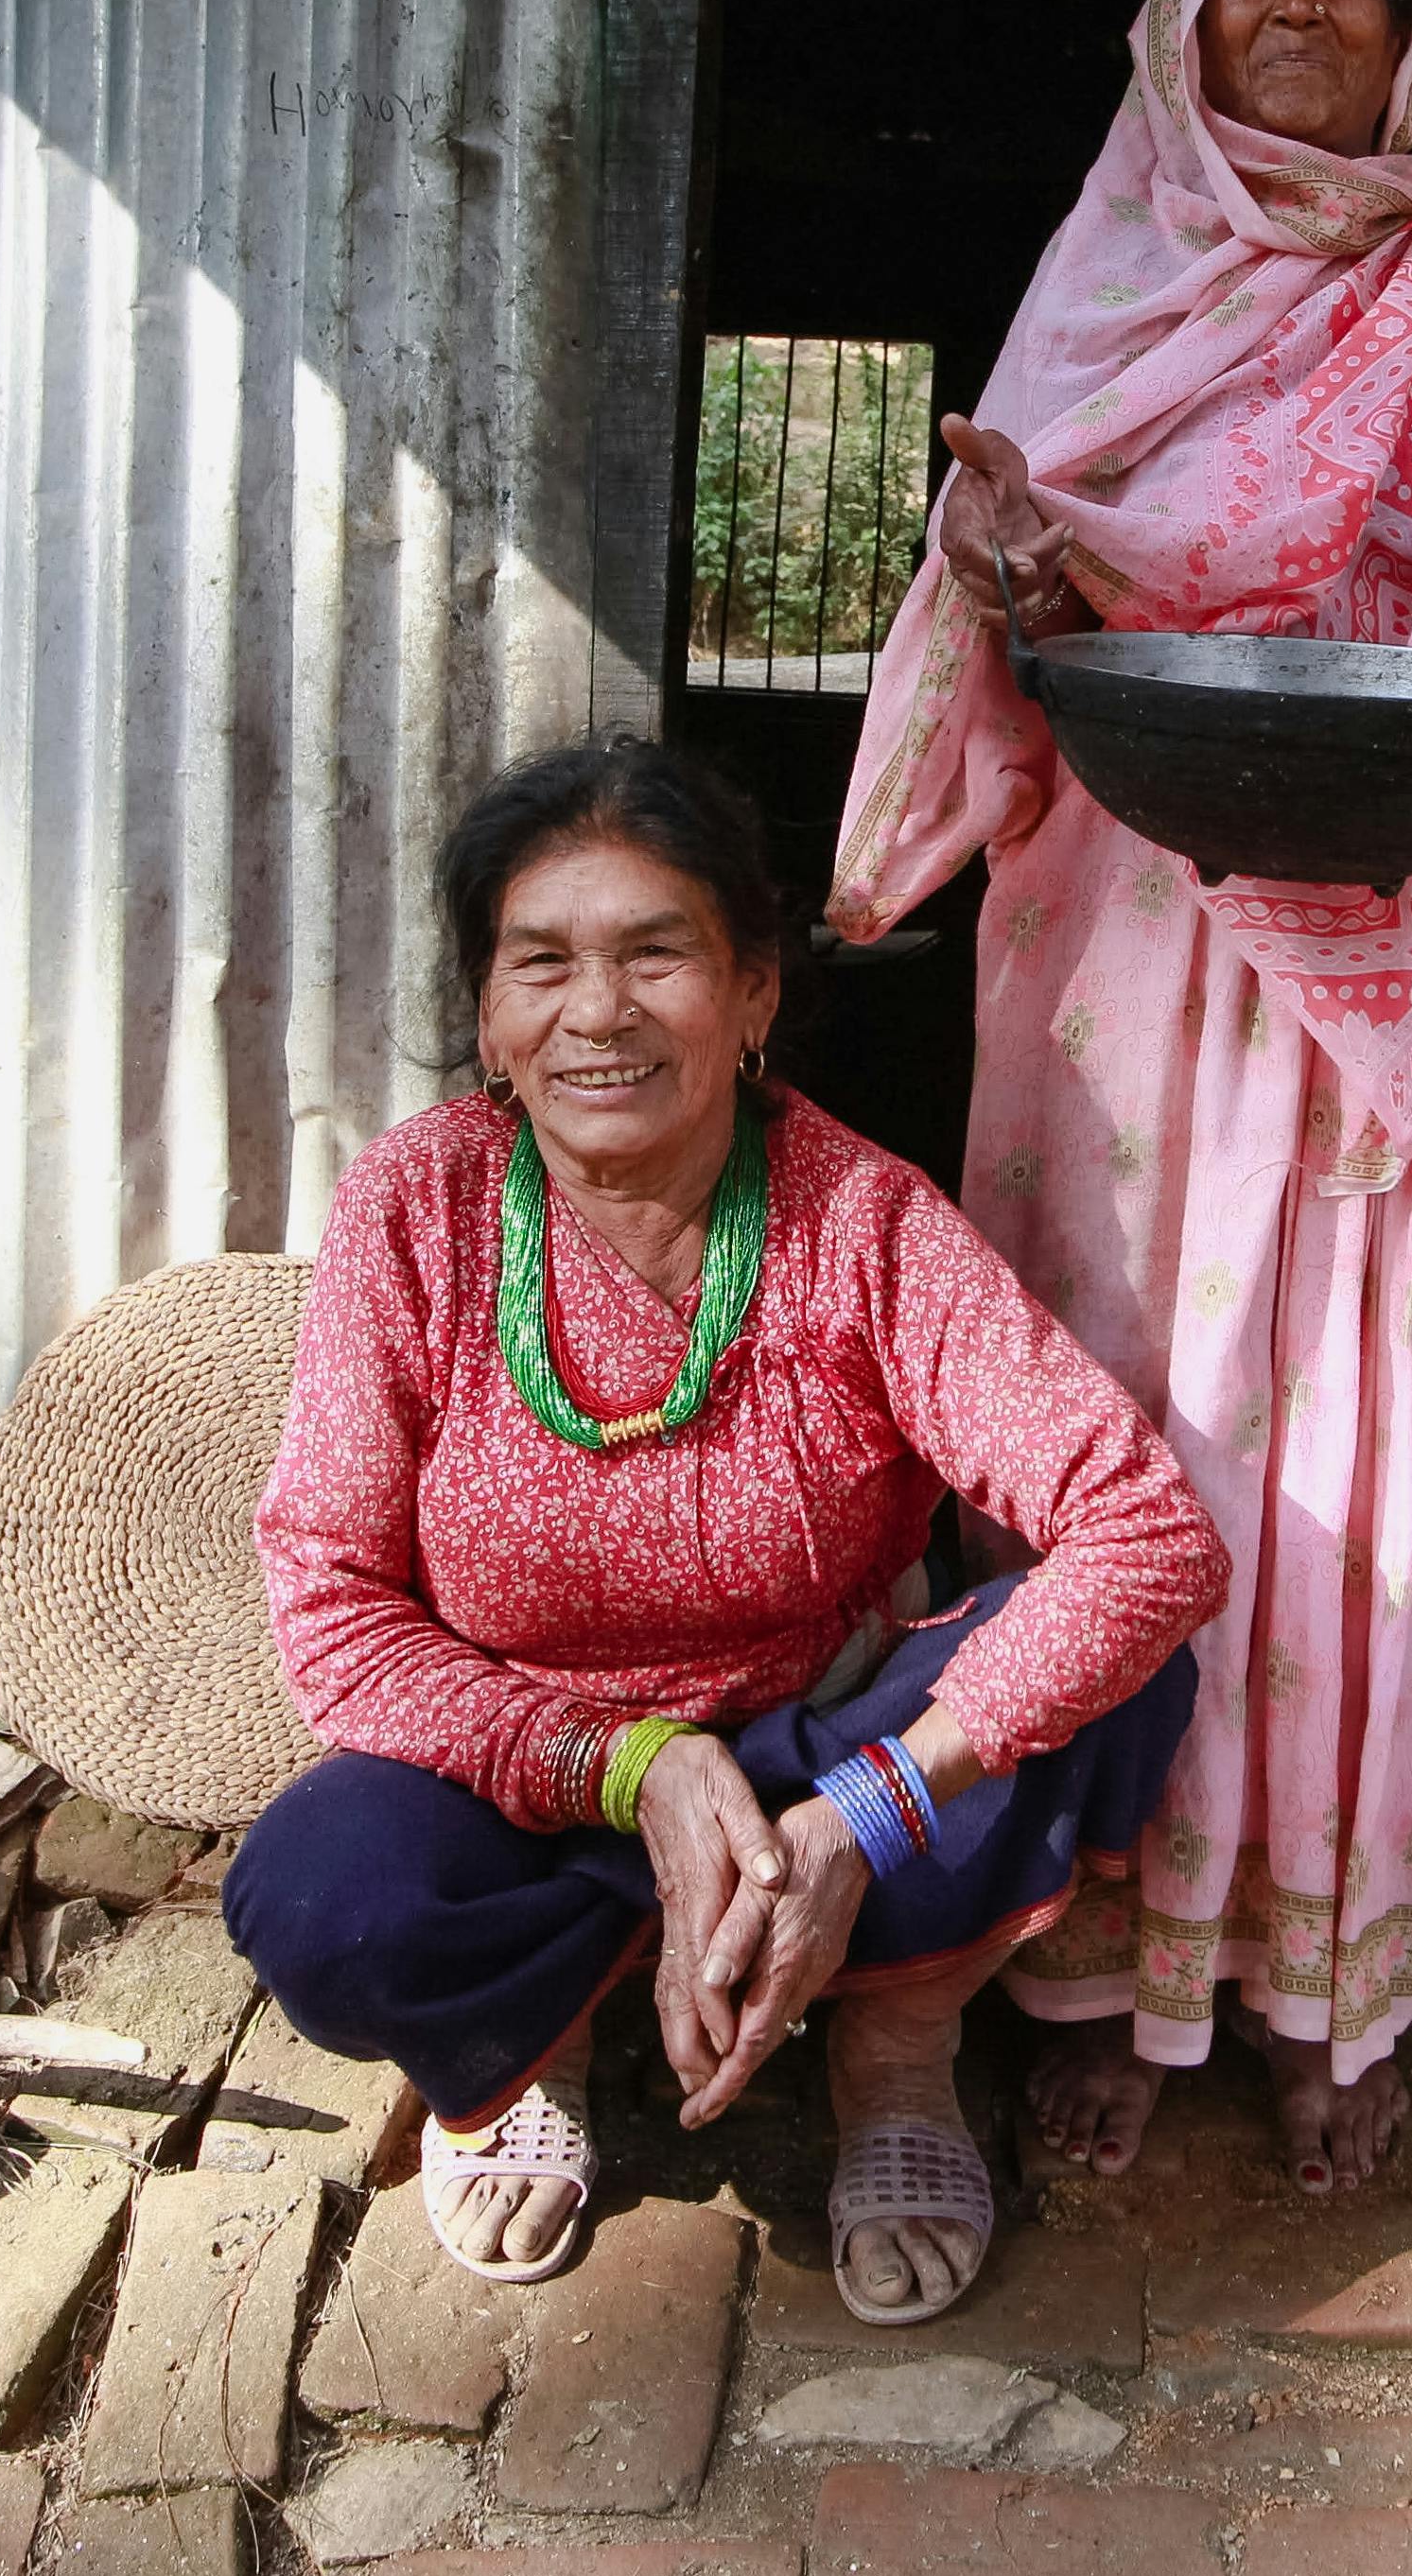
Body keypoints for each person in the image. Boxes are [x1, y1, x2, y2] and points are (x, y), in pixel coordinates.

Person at [825, 0, 1412, 2197]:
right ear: (1178, 22)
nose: (1296, 8)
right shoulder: (1104, 276)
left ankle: (1330, 1988)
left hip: (1400, 955)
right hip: (1125, 952)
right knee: (1134, 1436)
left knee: (1374, 1454)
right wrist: (1001, 571)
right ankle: (1097, 1965)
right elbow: (1008, 622)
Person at [223, 740, 1227, 2324]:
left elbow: (1145, 1534)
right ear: (489, 1018)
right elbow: (336, 1609)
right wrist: (629, 1765)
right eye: (541, 962)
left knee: (1122, 1674)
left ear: (755, 994)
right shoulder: (418, 1205)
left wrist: (862, 1819)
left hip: (821, 1748)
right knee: (322, 1893)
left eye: (657, 954)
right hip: (527, 1767)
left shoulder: (858, 1217)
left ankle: (895, 2053)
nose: (598, 1011)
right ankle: (529, 2049)